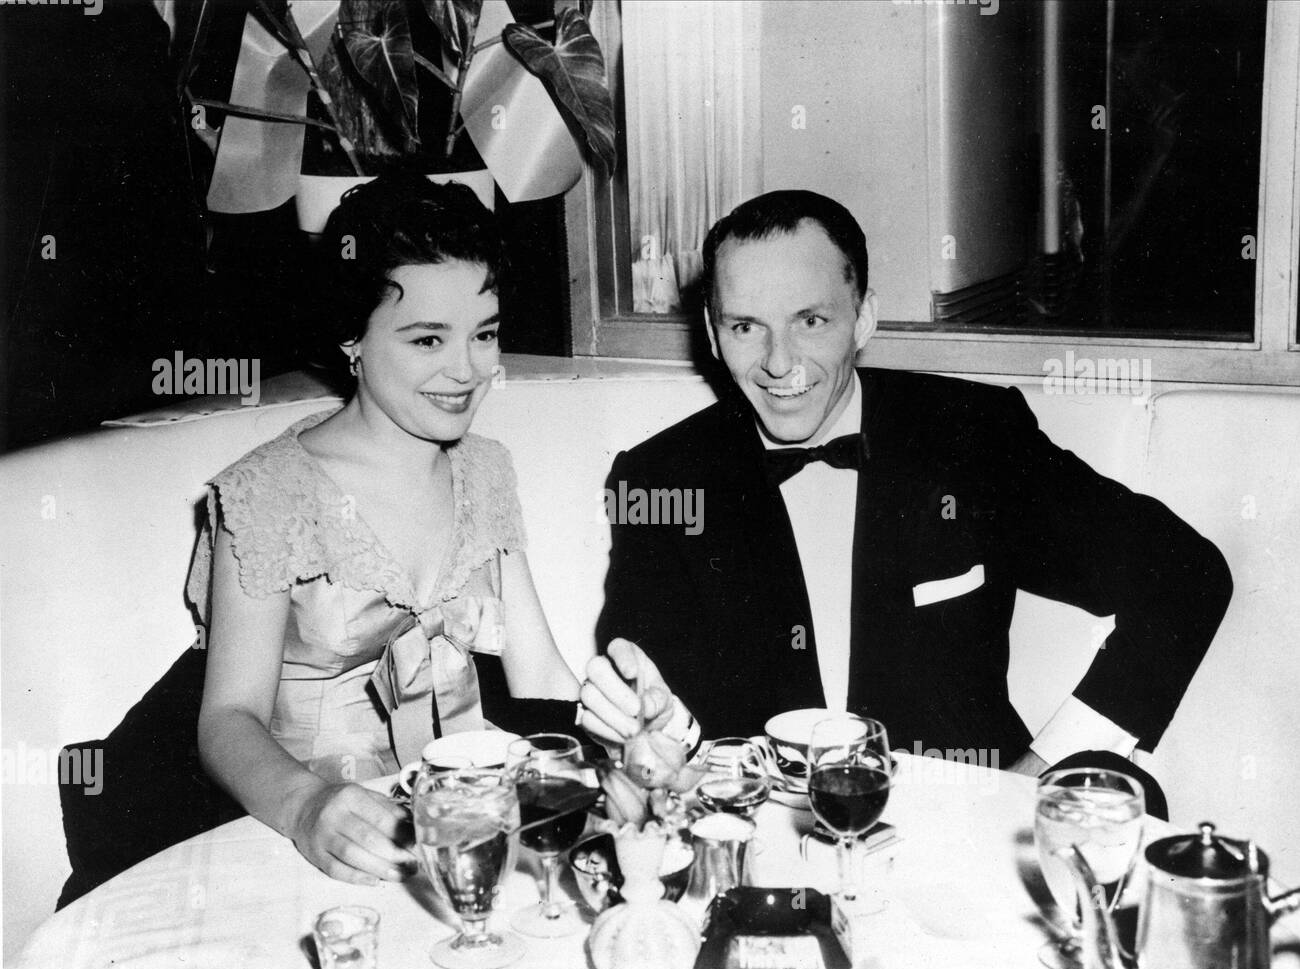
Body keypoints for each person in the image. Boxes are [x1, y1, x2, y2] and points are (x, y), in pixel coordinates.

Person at [579, 190, 1232, 790]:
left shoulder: (970, 438)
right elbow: (642, 713)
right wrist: (646, 753)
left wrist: (1041, 775)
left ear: (864, 318)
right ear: (713, 333)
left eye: (810, 321)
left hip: (960, 841)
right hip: (763, 850)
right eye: (746, 326)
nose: (779, 363)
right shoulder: (662, 481)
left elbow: (1186, 578)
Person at [188, 174, 579, 886]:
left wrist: (619, 741)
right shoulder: (266, 494)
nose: (467, 371)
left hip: (462, 829)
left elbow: (541, 672)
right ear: (352, 339)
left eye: (484, 335)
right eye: (428, 338)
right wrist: (309, 808)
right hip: (306, 838)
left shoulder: (486, 468)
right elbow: (226, 718)